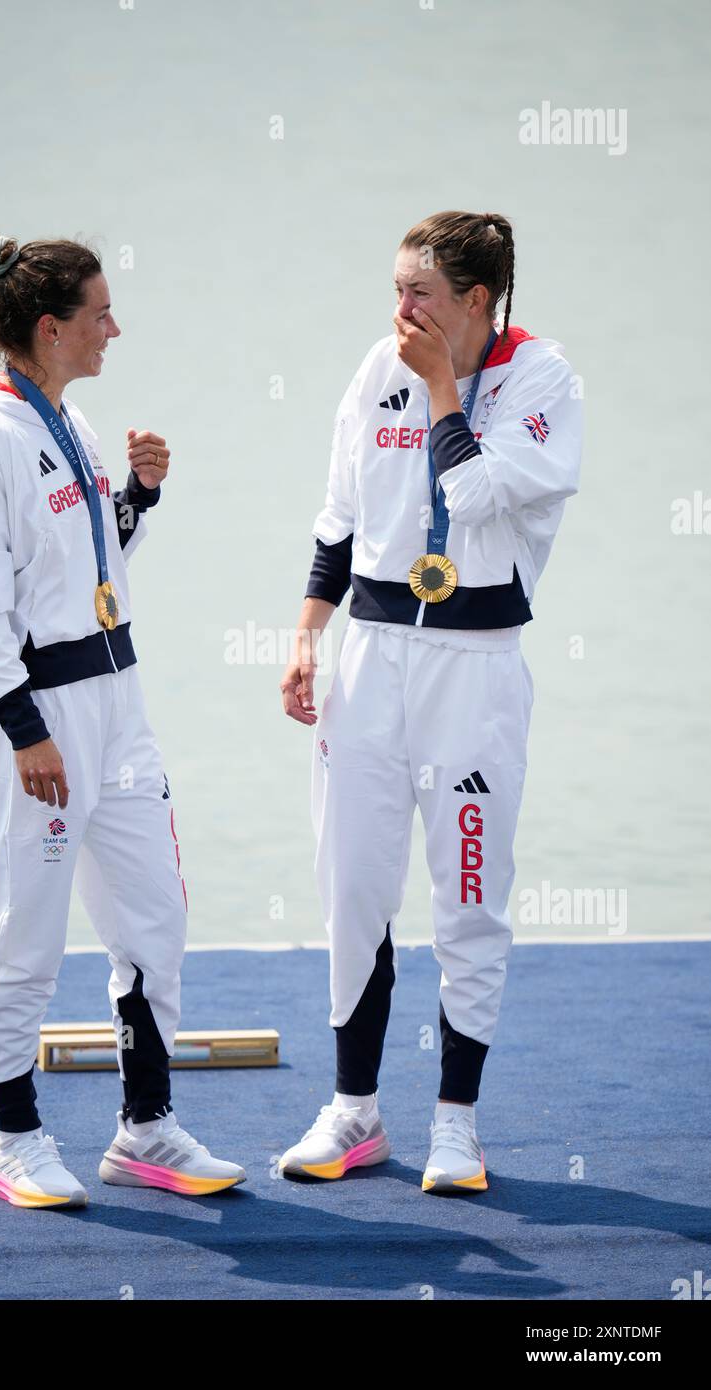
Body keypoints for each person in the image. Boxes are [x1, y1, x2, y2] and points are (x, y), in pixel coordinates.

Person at [0, 233, 245, 1206]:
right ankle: (9, 1137)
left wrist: (135, 497)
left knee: (155, 920)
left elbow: (88, 575)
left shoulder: (66, 418)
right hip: (41, 717)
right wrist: (24, 730)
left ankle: (144, 1127)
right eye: (99, 313)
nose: (113, 327)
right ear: (50, 329)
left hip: (117, 706)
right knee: (24, 935)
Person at [277, 211, 582, 1192]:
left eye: (420, 293)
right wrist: (303, 639)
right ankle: (352, 1111)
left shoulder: (541, 381)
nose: (398, 310)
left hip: (473, 667)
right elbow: (336, 515)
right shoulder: (376, 369)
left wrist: (445, 387)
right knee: (351, 887)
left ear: (476, 301)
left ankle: (455, 1125)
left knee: (467, 900)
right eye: (395, 289)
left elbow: (482, 491)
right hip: (366, 660)